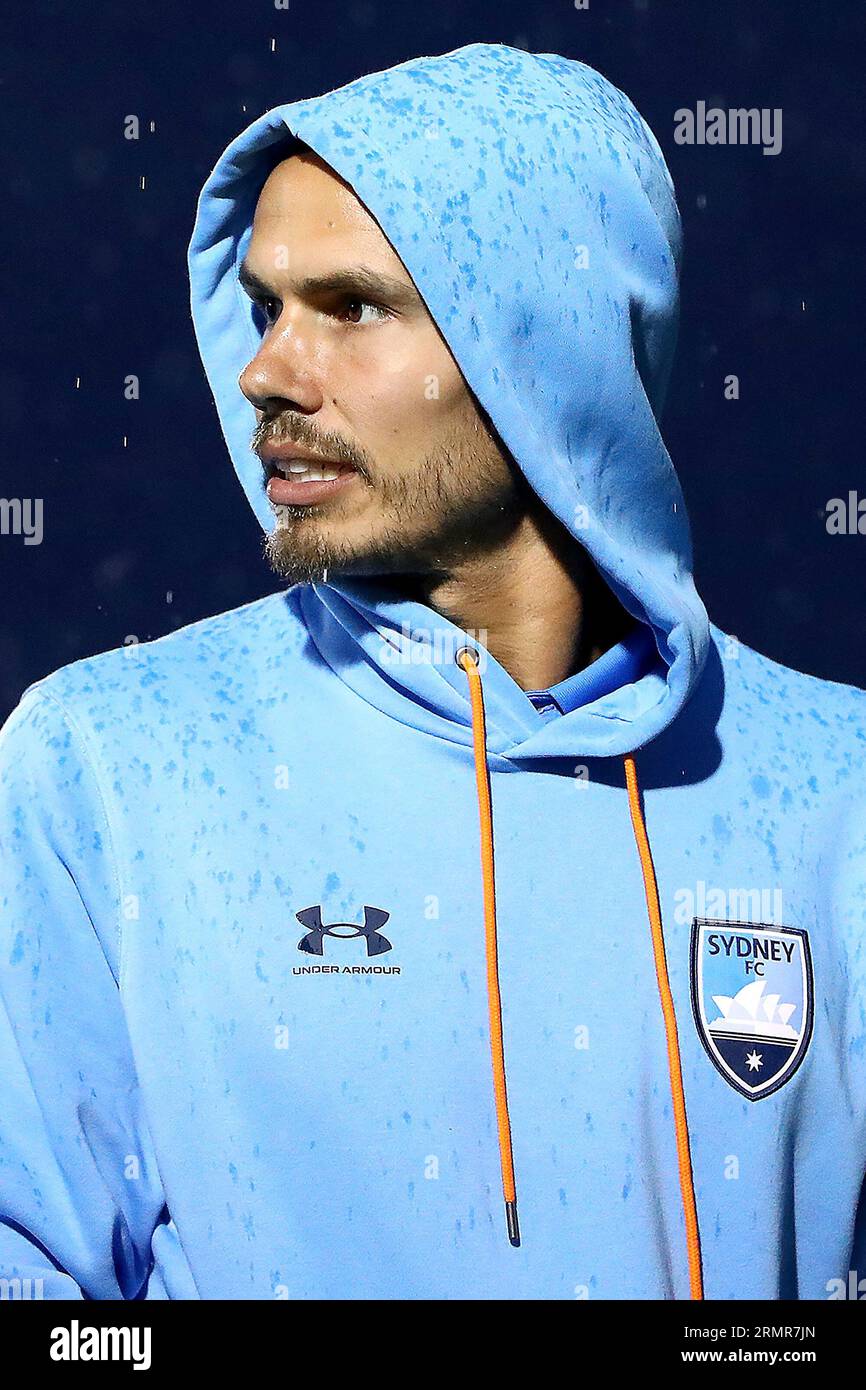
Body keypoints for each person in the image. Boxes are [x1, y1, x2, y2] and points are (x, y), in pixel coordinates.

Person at [1, 41, 864, 1302]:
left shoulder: (832, 787)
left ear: (547, 344)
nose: (265, 374)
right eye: (265, 307)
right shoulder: (101, 765)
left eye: (350, 307)